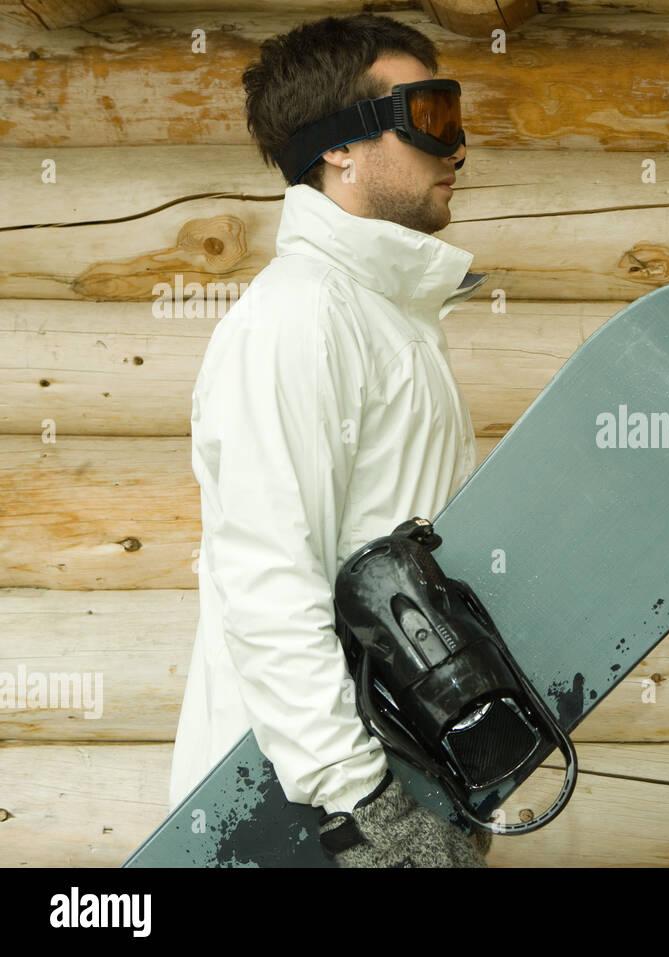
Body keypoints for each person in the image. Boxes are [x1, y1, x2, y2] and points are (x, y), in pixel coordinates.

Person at [168, 13, 491, 867]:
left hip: (393, 775)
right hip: (295, 817)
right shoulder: (301, 317)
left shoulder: (385, 316)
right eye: (430, 116)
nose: (456, 150)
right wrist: (366, 808)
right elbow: (269, 578)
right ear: (340, 147)